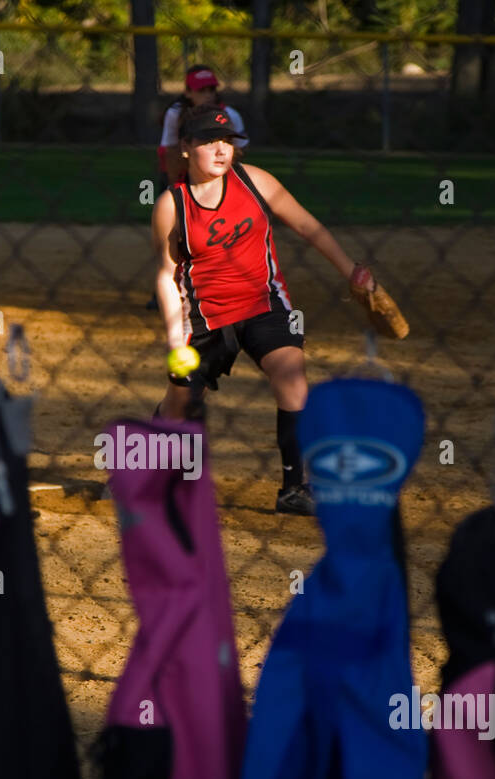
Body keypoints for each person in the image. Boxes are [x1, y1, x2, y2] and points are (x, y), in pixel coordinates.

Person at [151, 102, 385, 516]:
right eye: (209, 141)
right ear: (186, 147)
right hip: (206, 316)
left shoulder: (254, 181)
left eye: (227, 140)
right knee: (181, 402)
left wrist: (352, 272)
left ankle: (294, 488)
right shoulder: (173, 204)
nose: (221, 149)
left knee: (291, 375)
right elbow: (167, 276)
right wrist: (175, 342)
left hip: (265, 304)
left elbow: (308, 226)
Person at [146, 66, 248, 311]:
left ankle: (224, 286)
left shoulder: (229, 114)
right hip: (178, 175)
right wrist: (175, 190)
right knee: (174, 235)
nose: (208, 94)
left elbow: (240, 151)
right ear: (188, 92)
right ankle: (166, 289)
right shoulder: (176, 113)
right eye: (201, 90)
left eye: (211, 89)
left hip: (218, 179)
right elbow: (170, 151)